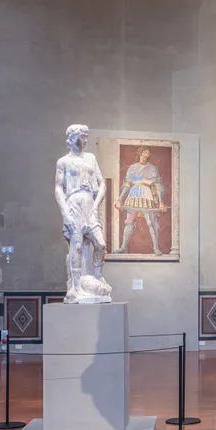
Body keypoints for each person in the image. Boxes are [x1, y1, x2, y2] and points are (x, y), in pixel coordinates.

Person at [55, 124, 111, 302]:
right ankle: (76, 287)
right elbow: (58, 189)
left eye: (87, 136)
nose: (85, 140)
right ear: (72, 138)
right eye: (82, 136)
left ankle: (97, 276)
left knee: (101, 245)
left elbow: (102, 184)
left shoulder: (91, 159)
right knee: (77, 246)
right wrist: (65, 214)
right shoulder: (63, 162)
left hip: (89, 204)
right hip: (73, 203)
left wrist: (96, 205)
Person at [117, 146, 168, 255]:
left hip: (147, 196)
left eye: (148, 153)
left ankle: (156, 248)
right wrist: (120, 199)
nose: (146, 155)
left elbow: (158, 185)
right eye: (145, 152)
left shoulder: (153, 168)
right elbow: (127, 185)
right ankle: (123, 247)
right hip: (133, 195)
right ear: (140, 153)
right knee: (129, 222)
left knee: (151, 222)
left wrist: (161, 202)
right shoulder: (132, 168)